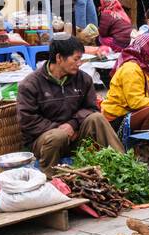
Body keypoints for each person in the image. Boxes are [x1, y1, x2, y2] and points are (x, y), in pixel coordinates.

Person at [16, 36, 124, 172]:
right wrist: (59, 128)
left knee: (97, 118)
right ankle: (50, 178)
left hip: (76, 135)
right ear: (59, 58)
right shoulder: (31, 84)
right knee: (57, 136)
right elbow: (27, 120)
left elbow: (92, 108)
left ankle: (122, 165)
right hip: (45, 140)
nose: (80, 63)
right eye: (76, 59)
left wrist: (73, 124)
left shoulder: (83, 79)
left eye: (81, 58)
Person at [101, 32, 149, 133]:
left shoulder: (147, 68)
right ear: (148, 52)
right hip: (116, 119)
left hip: (129, 113)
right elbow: (136, 102)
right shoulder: (132, 69)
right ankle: (136, 145)